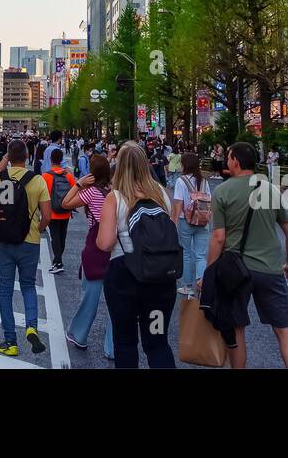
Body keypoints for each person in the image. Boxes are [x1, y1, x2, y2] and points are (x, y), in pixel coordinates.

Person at [204, 141, 288, 368]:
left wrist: (208, 273)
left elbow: (219, 237)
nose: (226, 161)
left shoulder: (223, 192)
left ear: (235, 161)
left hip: (236, 271)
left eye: (228, 157)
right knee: (284, 329)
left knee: (236, 327)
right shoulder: (270, 190)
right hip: (270, 268)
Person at [95, 142, 177, 369]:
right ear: (145, 164)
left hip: (124, 274)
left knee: (125, 342)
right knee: (158, 342)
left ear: (119, 165)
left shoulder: (115, 197)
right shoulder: (161, 193)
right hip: (160, 276)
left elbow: (105, 243)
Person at [0, 139, 51, 357]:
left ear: (8, 156)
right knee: (28, 286)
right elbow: (47, 216)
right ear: (27, 156)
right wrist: (39, 229)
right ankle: (31, 326)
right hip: (29, 241)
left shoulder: (0, 177)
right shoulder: (37, 180)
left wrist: (4, 159)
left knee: (5, 289)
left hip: (4, 241)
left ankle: (10, 341)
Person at [62, 152, 114, 356]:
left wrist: (79, 183)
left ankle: (79, 334)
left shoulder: (91, 193)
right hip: (116, 248)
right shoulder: (114, 191)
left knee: (90, 297)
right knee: (114, 302)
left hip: (95, 247)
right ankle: (112, 347)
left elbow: (65, 203)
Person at [170, 152, 211, 297]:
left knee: (186, 254)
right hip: (203, 221)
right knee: (201, 255)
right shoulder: (204, 181)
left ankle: (187, 286)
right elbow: (208, 201)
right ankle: (201, 282)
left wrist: (174, 222)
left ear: (185, 165)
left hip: (185, 221)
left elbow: (179, 203)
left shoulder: (181, 181)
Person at [42, 148, 78, 274]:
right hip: (66, 211)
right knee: (62, 236)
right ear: (62, 160)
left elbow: (41, 196)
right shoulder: (68, 175)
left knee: (55, 236)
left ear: (51, 160)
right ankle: (58, 259)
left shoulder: (45, 176)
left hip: (52, 212)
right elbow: (75, 190)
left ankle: (58, 261)